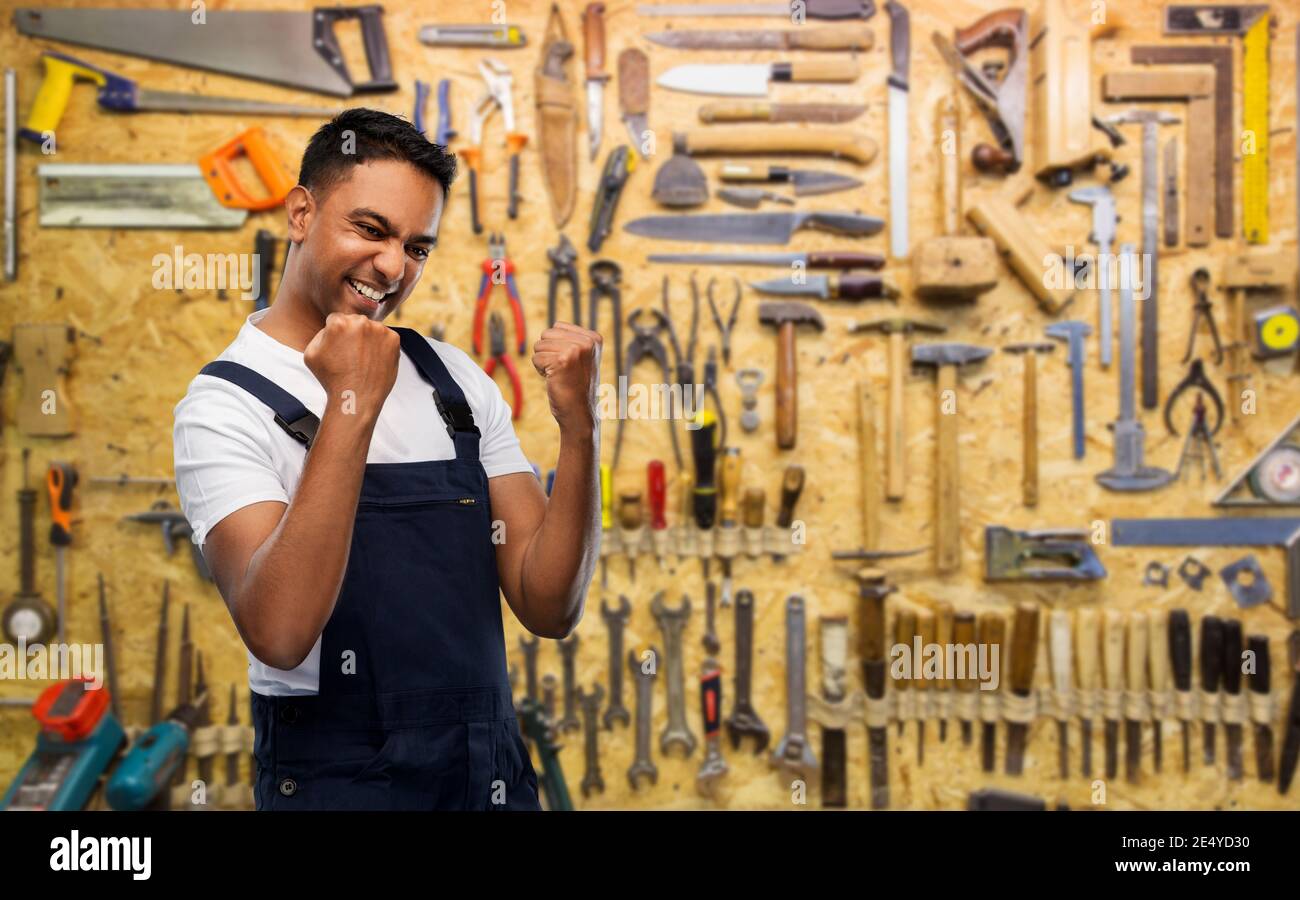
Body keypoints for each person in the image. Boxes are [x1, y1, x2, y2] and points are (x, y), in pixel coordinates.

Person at [172, 108, 600, 810]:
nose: (394, 266)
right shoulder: (224, 406)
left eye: (418, 247)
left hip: (484, 772)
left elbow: (548, 604)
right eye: (370, 230)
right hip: (339, 780)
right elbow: (279, 631)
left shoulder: (453, 379)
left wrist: (579, 429)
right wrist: (351, 405)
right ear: (302, 213)